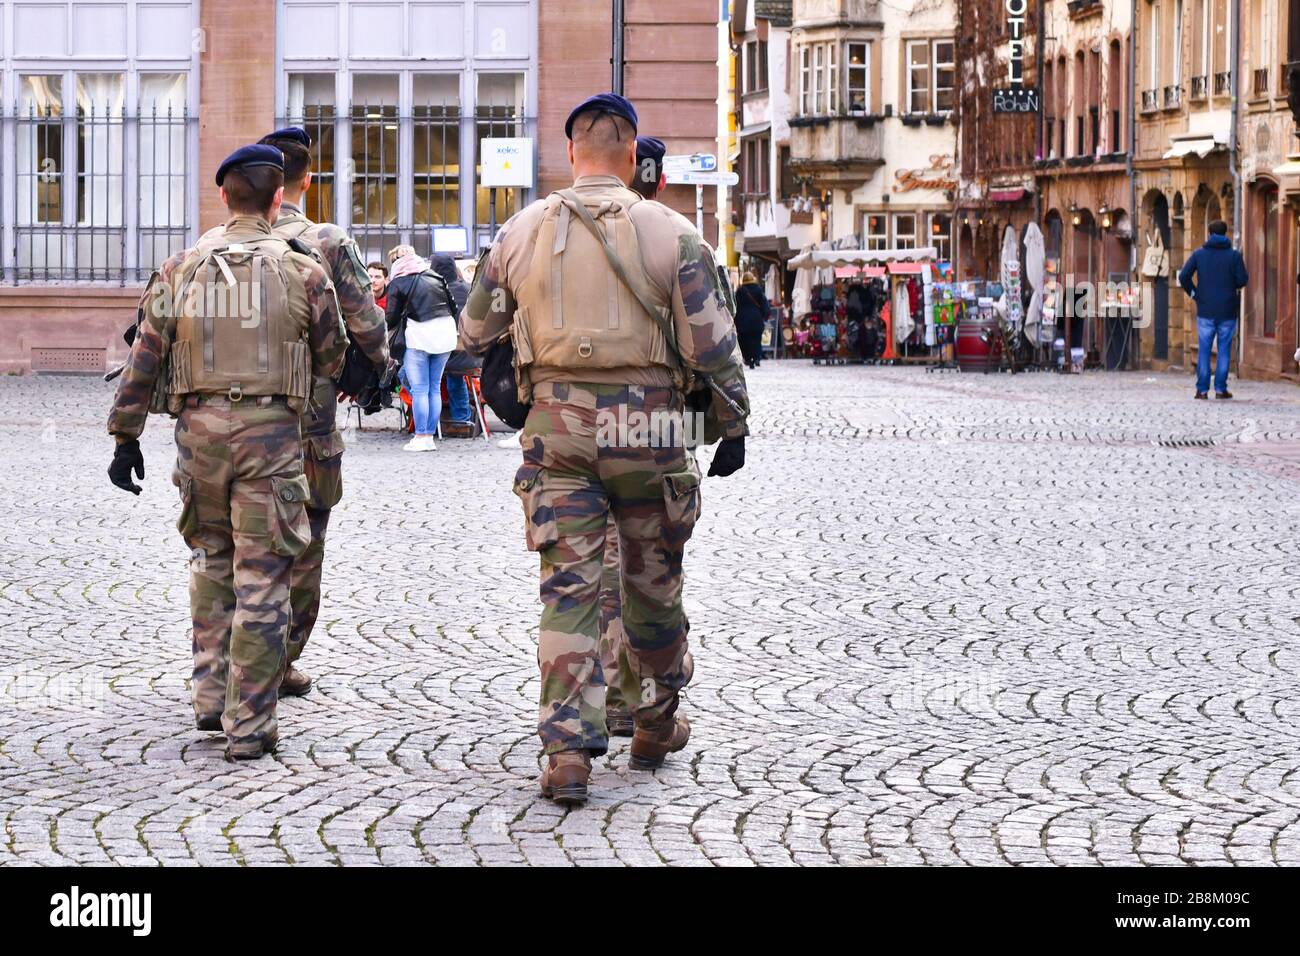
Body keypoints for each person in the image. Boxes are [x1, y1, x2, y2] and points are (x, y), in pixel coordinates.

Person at [459, 92, 750, 806]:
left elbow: (473, 334)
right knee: (652, 590)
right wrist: (733, 424)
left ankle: (567, 755)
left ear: (571, 153)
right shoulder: (674, 232)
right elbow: (715, 347)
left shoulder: (522, 230)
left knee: (570, 591)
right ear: (631, 152)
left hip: (558, 428)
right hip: (650, 429)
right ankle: (653, 724)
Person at [106, 144, 348, 759]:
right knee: (264, 573)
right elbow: (332, 354)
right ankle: (250, 724)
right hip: (271, 437)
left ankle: (210, 698)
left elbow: (145, 355)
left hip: (198, 437)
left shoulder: (182, 267)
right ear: (277, 198)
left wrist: (125, 434)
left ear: (223, 196)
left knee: (212, 559)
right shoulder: (304, 269)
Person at [258, 127, 390, 695]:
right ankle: (281, 659)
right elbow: (368, 326)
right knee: (305, 542)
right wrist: (372, 369)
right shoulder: (326, 241)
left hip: (230, 420)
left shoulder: (220, 244)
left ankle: (231, 663)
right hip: (308, 420)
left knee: (236, 544)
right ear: (306, 179)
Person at [386, 244, 458, 451]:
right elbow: (453, 307)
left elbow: (390, 318)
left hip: (418, 336)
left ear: (395, 262)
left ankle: (421, 436)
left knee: (419, 389)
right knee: (434, 388)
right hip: (444, 335)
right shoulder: (436, 277)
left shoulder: (398, 281)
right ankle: (429, 437)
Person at [1178, 219, 1248, 400]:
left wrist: (1194, 294)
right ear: (1226, 234)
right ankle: (1219, 389)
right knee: (1224, 349)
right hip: (1227, 309)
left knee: (1204, 349)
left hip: (1206, 308)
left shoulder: (1199, 254)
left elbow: (1184, 276)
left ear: (1209, 233)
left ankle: (1201, 390)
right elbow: (1242, 280)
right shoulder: (1234, 256)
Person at [429, 253, 476, 438]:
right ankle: (462, 420)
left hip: (444, 353)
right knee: (455, 375)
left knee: (413, 374)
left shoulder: (434, 290)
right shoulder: (468, 288)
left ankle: (429, 423)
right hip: (471, 356)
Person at [735, 271, 769, 368]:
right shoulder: (758, 290)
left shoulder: (740, 291)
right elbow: (764, 304)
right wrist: (764, 315)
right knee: (756, 340)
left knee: (744, 340)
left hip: (743, 320)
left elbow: (736, 306)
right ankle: (756, 357)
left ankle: (748, 359)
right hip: (756, 319)